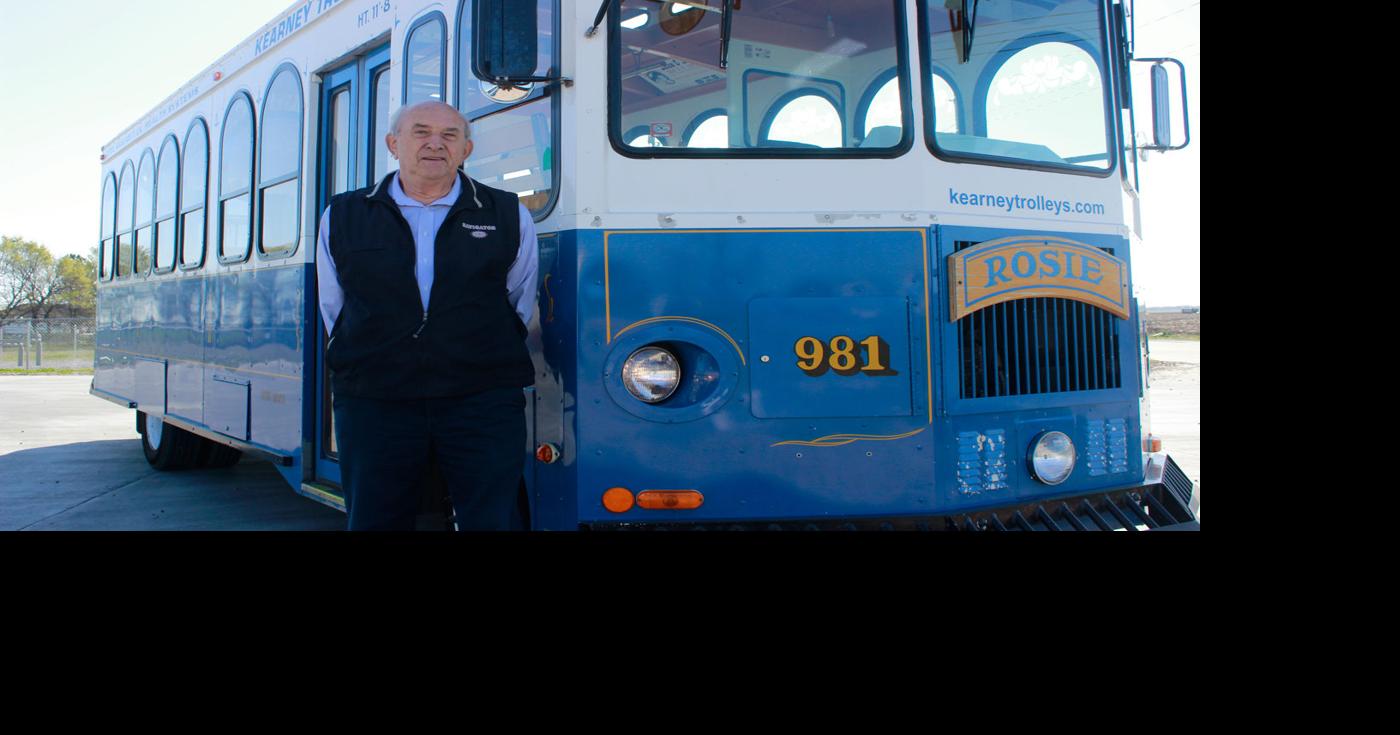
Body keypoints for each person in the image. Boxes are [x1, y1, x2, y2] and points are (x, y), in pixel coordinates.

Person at [316, 100, 537, 531]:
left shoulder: (508, 214)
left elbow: (518, 298)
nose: (435, 144)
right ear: (393, 144)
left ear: (466, 150)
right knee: (375, 519)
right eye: (421, 132)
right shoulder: (343, 215)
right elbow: (334, 306)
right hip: (376, 398)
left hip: (481, 398)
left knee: (493, 518)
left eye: (450, 135)